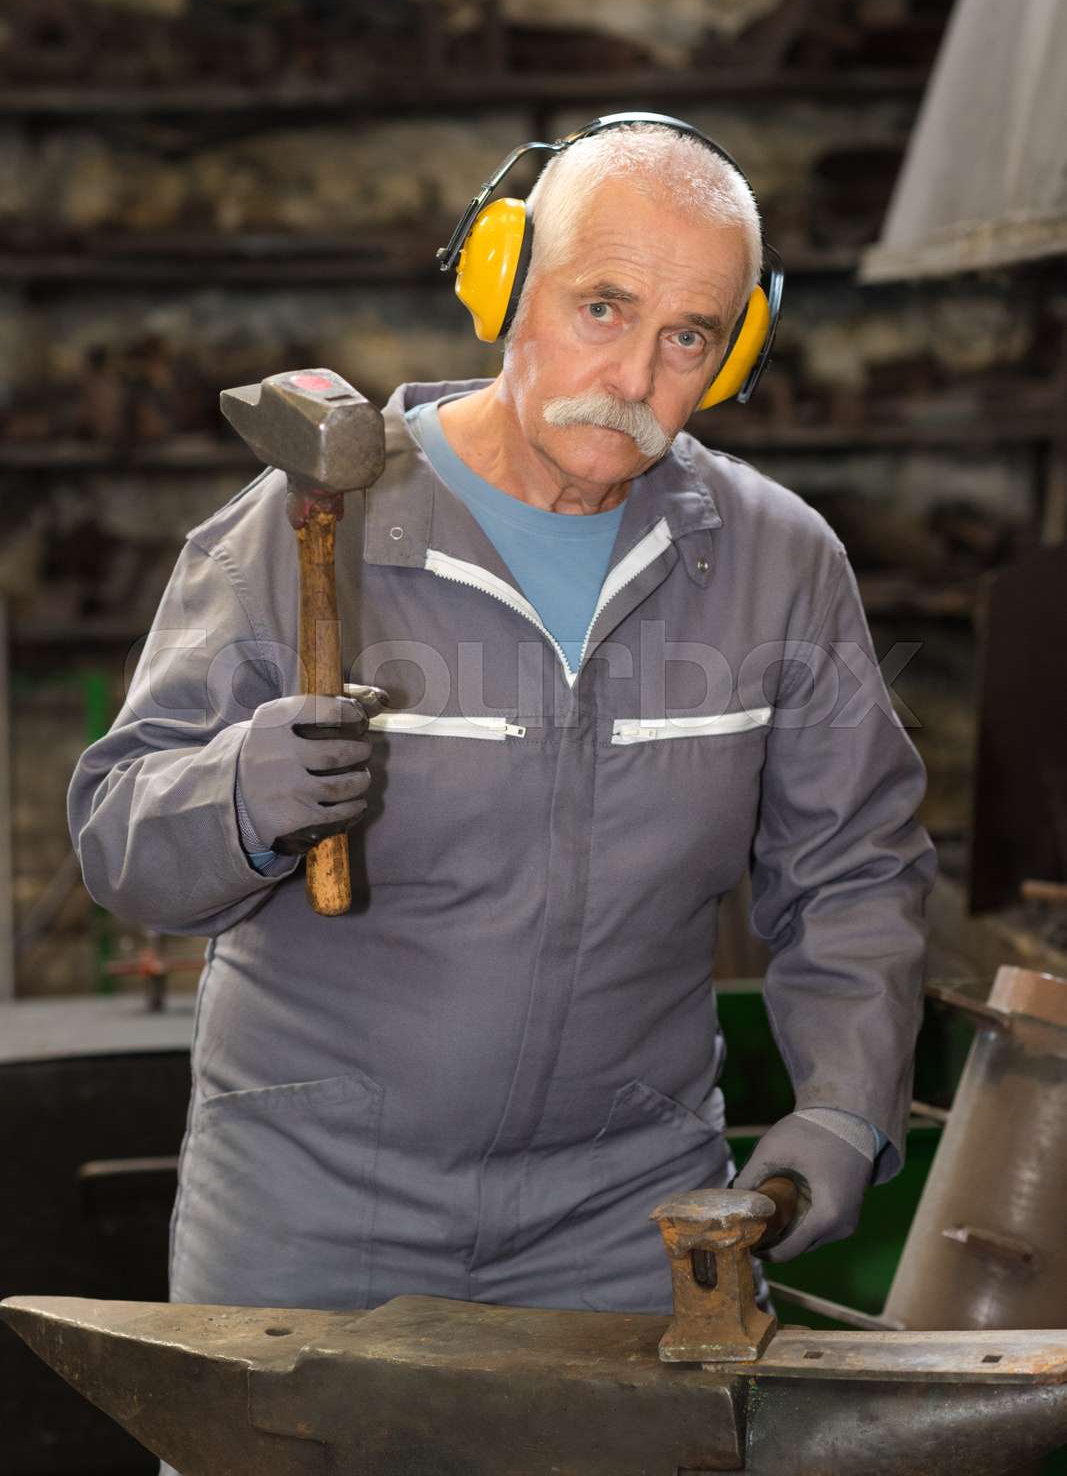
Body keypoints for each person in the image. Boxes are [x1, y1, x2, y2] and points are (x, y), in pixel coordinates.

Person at [68, 116, 935, 1332]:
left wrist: (842, 1108)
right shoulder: (308, 524)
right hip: (310, 1213)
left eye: (684, 335)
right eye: (599, 307)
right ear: (503, 280)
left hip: (624, 1221)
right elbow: (118, 844)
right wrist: (235, 798)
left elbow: (852, 868)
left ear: (732, 354)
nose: (633, 379)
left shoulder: (774, 564)